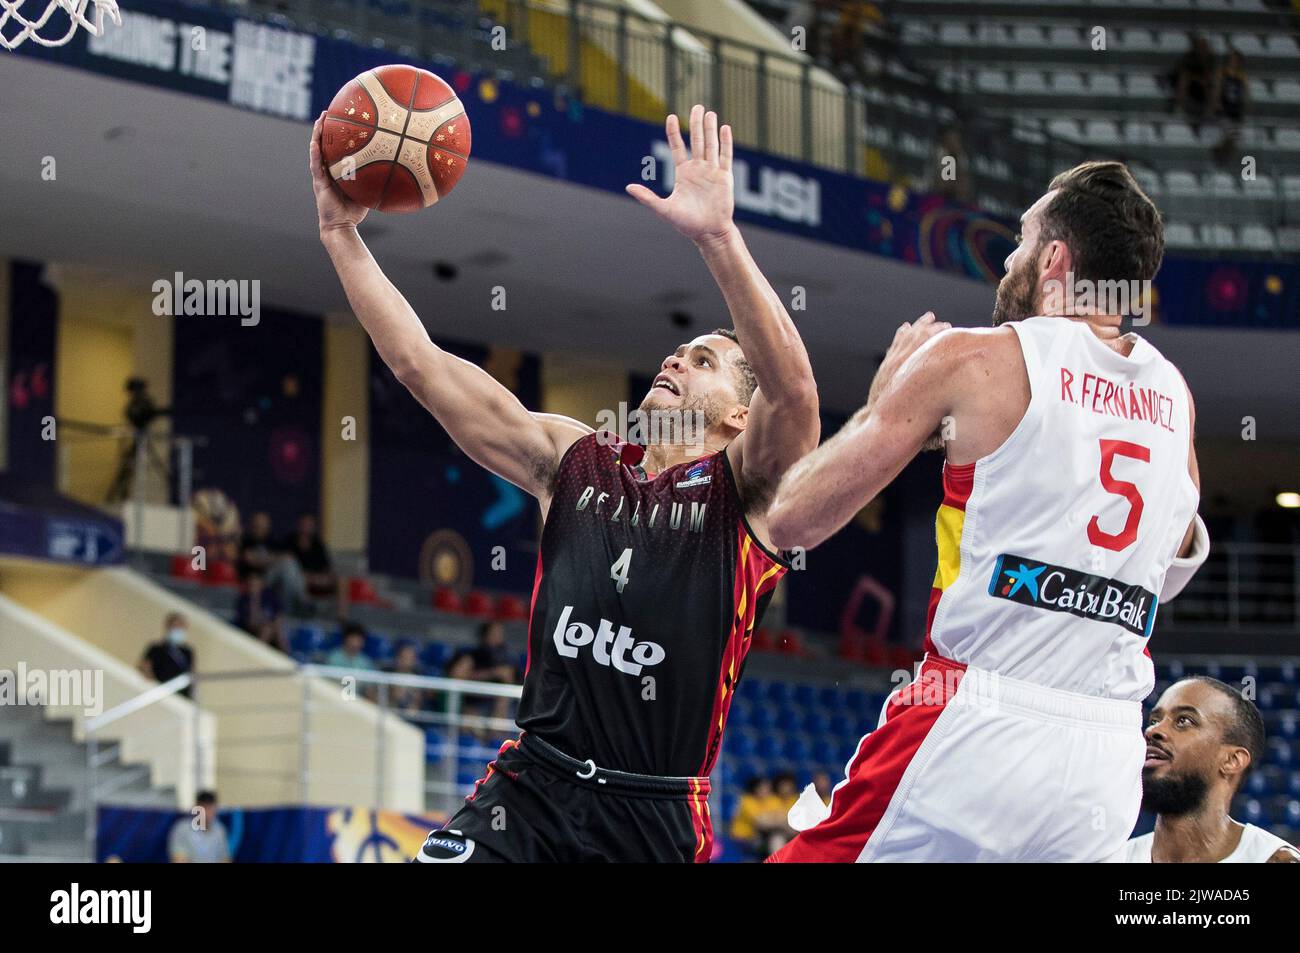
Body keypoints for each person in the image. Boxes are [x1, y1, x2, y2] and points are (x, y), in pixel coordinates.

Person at [310, 104, 819, 862]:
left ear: (740, 415)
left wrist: (718, 237)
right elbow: (421, 365)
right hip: (531, 792)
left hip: (651, 816)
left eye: (703, 361)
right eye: (678, 351)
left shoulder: (743, 497)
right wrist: (340, 236)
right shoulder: (575, 458)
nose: (676, 360)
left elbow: (798, 394)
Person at [765, 161, 1208, 862]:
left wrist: (882, 403)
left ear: (1055, 258)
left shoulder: (976, 356)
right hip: (1106, 751)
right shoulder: (1173, 397)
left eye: (1022, 240)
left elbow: (792, 519)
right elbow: (1173, 560)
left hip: (977, 713)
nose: (1009, 257)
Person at [1112, 677, 1298, 863]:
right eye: (1154, 720)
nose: (1152, 731)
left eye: (1183, 721)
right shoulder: (1112, 858)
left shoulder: (1275, 859)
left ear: (1232, 760)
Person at [446, 621, 518, 732]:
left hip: (500, 707)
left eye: (500, 633)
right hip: (475, 704)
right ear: (485, 635)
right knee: (470, 723)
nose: (498, 636)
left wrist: (506, 676)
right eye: (494, 633)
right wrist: (493, 672)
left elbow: (513, 682)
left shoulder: (506, 657)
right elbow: (458, 676)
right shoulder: (473, 655)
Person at [138, 612, 195, 698]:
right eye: (175, 627)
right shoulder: (156, 648)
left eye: (180, 627)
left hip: (180, 696)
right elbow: (144, 666)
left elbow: (190, 674)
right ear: (168, 627)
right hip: (158, 692)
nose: (178, 630)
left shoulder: (188, 652)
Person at [167, 791, 231, 863]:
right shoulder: (182, 829)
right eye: (204, 808)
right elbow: (178, 859)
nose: (207, 813)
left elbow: (225, 859)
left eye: (210, 808)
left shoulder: (219, 829)